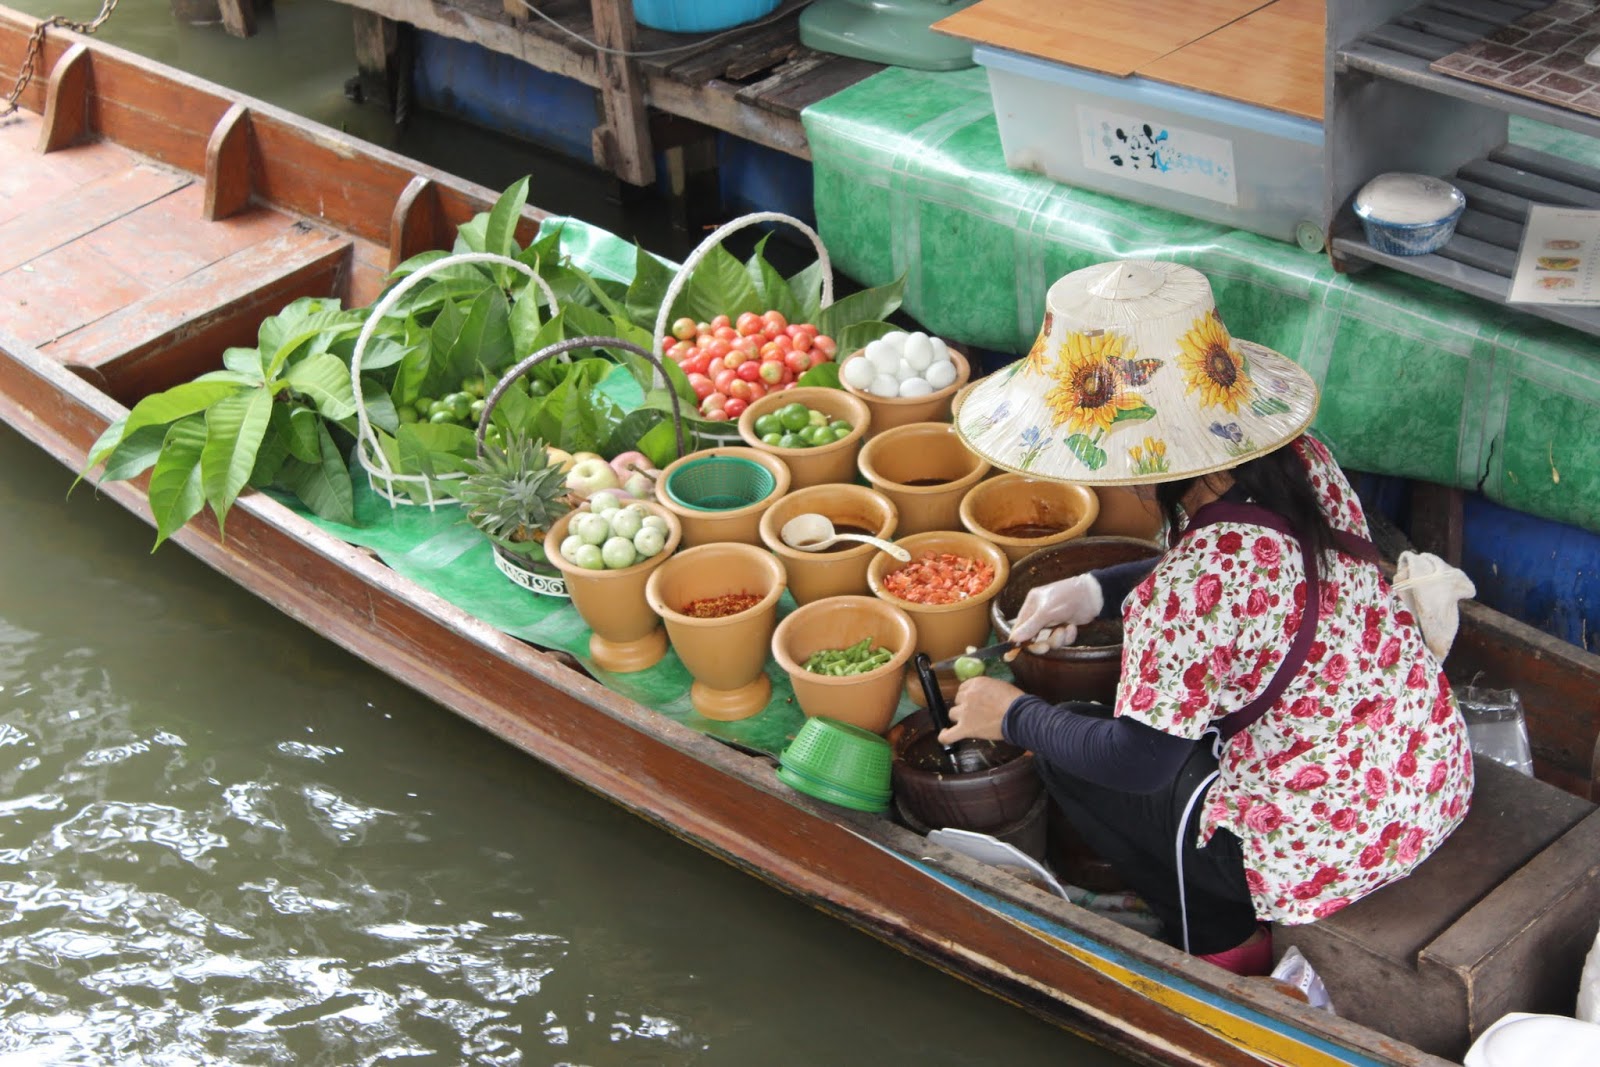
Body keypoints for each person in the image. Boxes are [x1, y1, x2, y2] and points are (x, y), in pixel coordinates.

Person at [948, 259, 1475, 976]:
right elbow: (1250, 576)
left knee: (1081, 746)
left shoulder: (1189, 587)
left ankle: (1225, 944)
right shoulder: (1301, 462)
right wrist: (1095, 590)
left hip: (1324, 846)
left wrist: (1009, 713)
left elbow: (1137, 761)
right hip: (1425, 779)